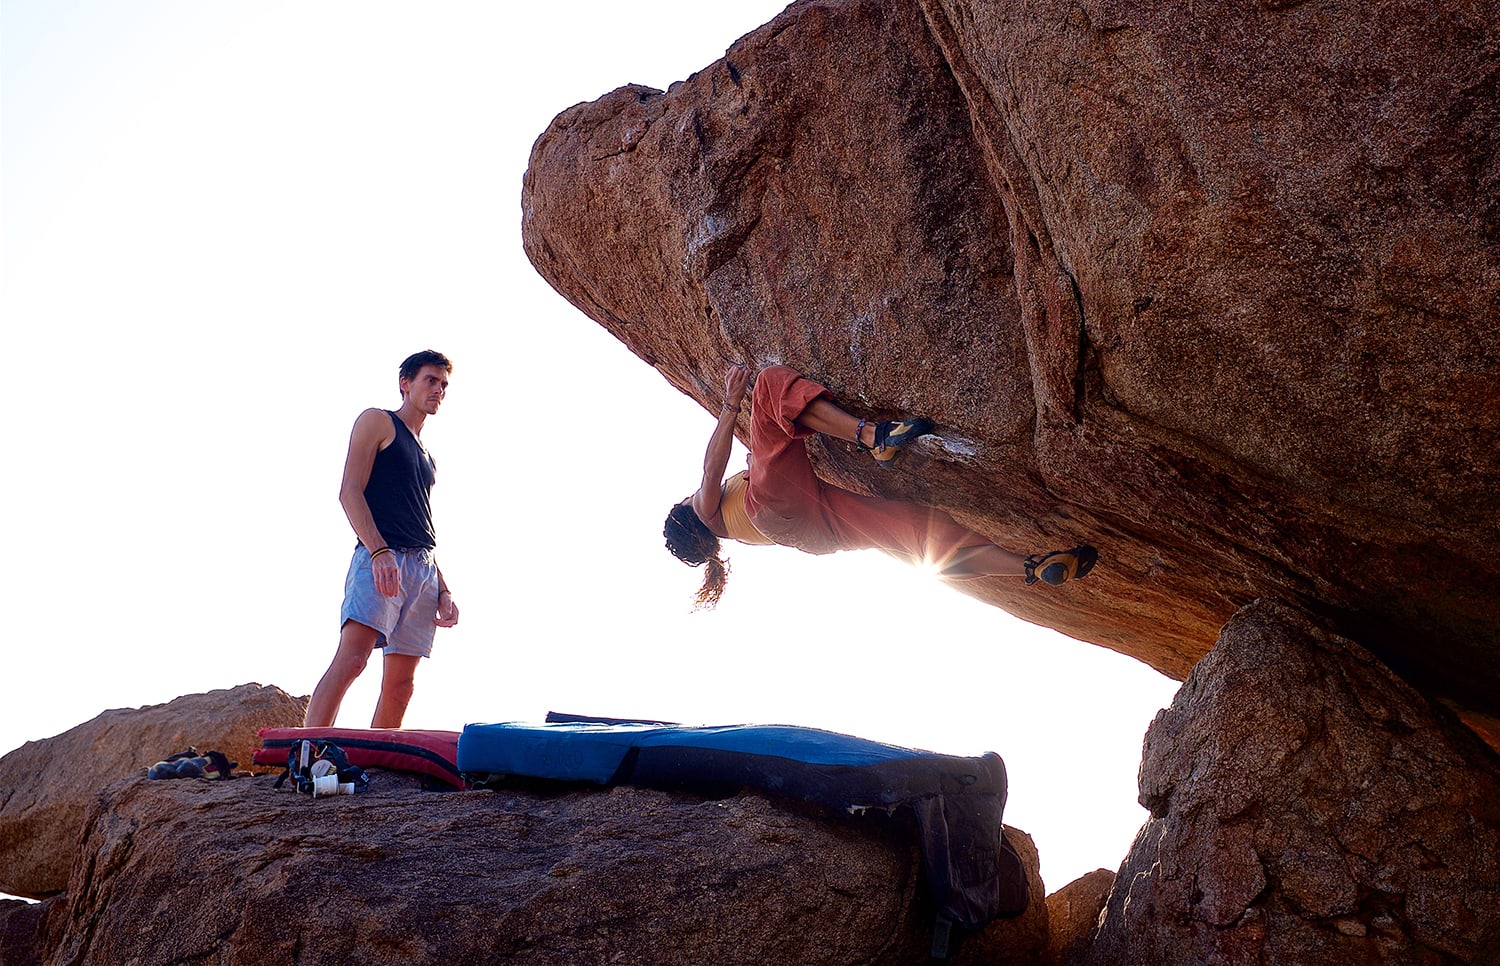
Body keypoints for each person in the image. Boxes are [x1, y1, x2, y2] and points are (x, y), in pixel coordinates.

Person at [664, 364, 1096, 608]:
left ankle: (1029, 566)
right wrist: (729, 403)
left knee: (917, 534)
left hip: (813, 533)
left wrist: (757, 461)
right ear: (690, 515)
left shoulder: (734, 525)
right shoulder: (706, 511)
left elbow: (774, 483)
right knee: (770, 389)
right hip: (780, 507)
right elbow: (711, 468)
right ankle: (873, 436)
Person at [304, 350, 460, 728]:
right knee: (353, 661)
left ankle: (380, 772)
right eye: (430, 380)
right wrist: (379, 551)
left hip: (422, 568)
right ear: (405, 384)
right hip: (381, 559)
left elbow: (420, 522)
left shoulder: (427, 457)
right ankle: (307, 752)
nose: (438, 389)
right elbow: (349, 492)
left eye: (444, 384)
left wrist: (444, 588)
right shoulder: (378, 422)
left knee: (401, 685)